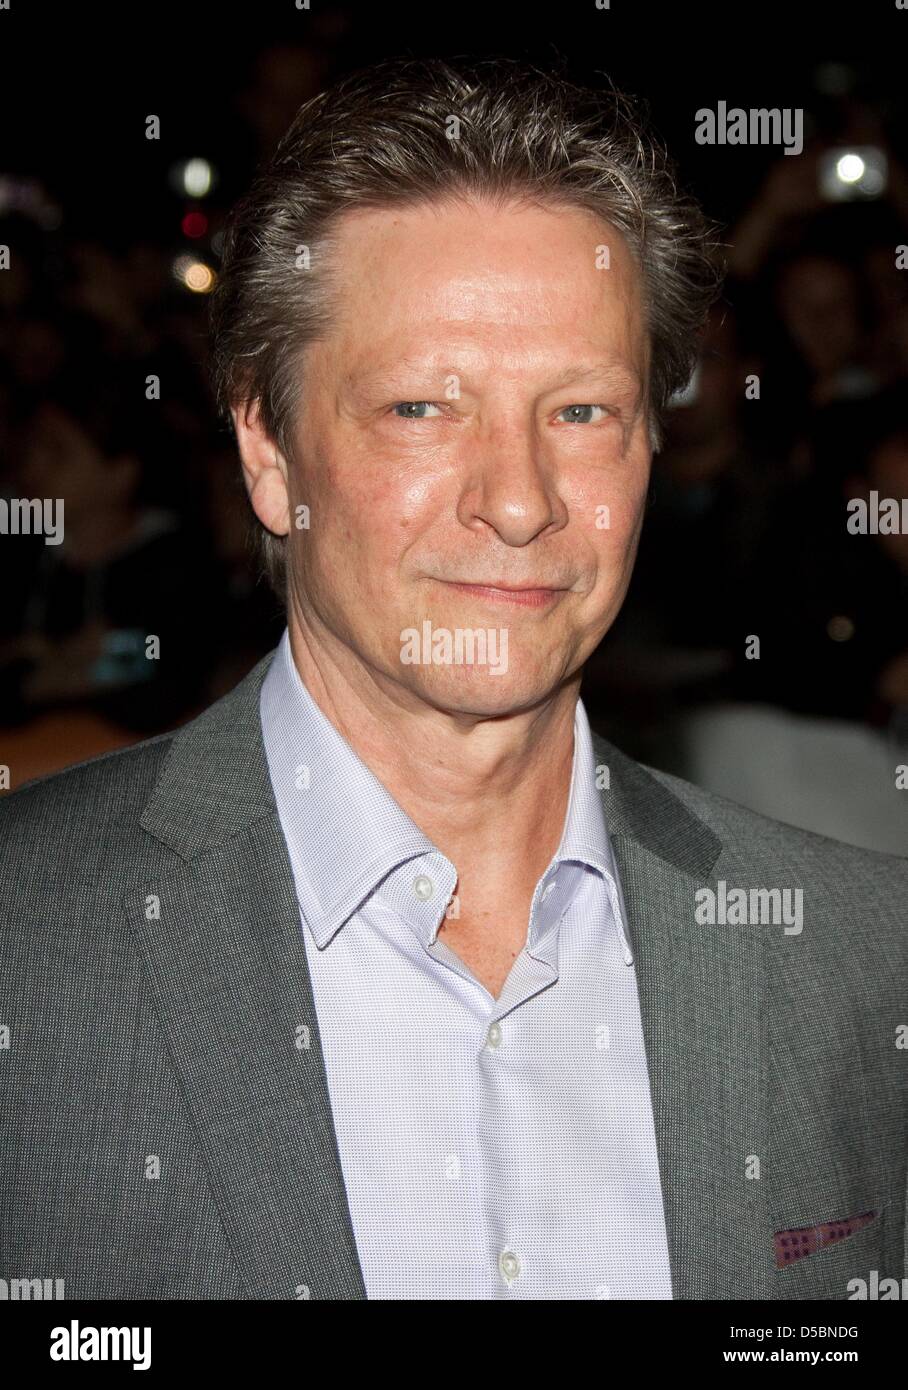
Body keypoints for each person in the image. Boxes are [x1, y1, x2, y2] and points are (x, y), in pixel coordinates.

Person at [1, 56, 905, 1302]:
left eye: (581, 410)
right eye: (423, 407)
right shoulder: (27, 947)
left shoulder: (860, 958)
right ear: (267, 449)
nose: (520, 501)